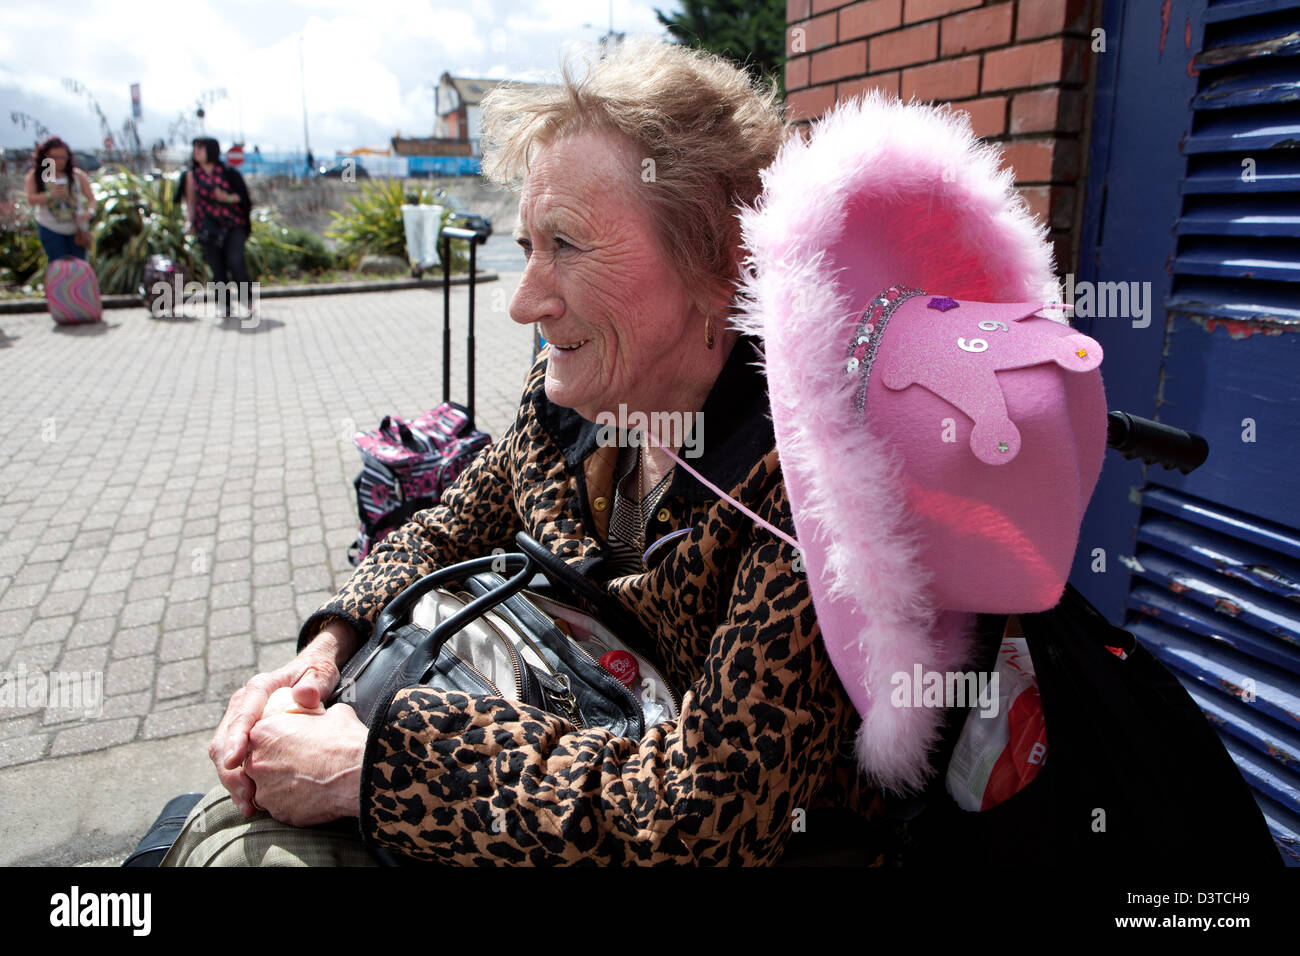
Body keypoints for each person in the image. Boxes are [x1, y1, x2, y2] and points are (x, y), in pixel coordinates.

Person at [186, 38, 879, 867]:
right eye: (526, 247)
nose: (522, 303)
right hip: (540, 769)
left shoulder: (807, 489)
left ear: (721, 264)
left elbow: (698, 819)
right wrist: (322, 654)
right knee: (219, 825)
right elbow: (441, 532)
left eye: (568, 245)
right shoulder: (568, 410)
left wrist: (368, 768)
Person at [186, 136, 252, 318]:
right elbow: (191, 202)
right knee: (217, 267)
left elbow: (244, 198)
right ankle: (224, 304)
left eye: (200, 148)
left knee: (236, 261)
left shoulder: (228, 172)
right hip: (208, 227)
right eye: (195, 148)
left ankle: (247, 298)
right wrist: (189, 222)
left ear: (211, 150)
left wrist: (226, 198)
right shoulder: (192, 175)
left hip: (233, 224)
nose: (196, 152)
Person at [24, 136, 96, 263]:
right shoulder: (37, 175)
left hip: (76, 229)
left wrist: (89, 212)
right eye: (55, 157)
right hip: (50, 228)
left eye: (63, 157)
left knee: (79, 265)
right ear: (46, 156)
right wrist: (50, 195)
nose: (60, 161)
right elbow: (31, 199)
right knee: (59, 266)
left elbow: (91, 199)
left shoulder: (77, 175)